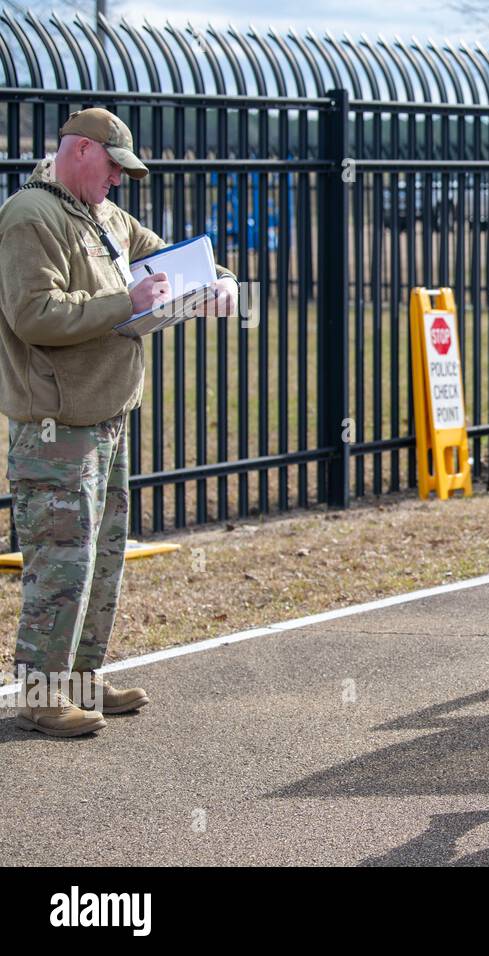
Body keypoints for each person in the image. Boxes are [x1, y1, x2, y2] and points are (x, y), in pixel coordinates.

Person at [0, 107, 239, 737]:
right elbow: (33, 313)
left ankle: (79, 679)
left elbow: (168, 258)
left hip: (108, 414)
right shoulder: (30, 216)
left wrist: (218, 282)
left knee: (102, 557)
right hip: (56, 425)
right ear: (79, 151)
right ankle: (42, 694)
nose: (119, 180)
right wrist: (123, 302)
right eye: (113, 166)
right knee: (61, 560)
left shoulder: (101, 214)